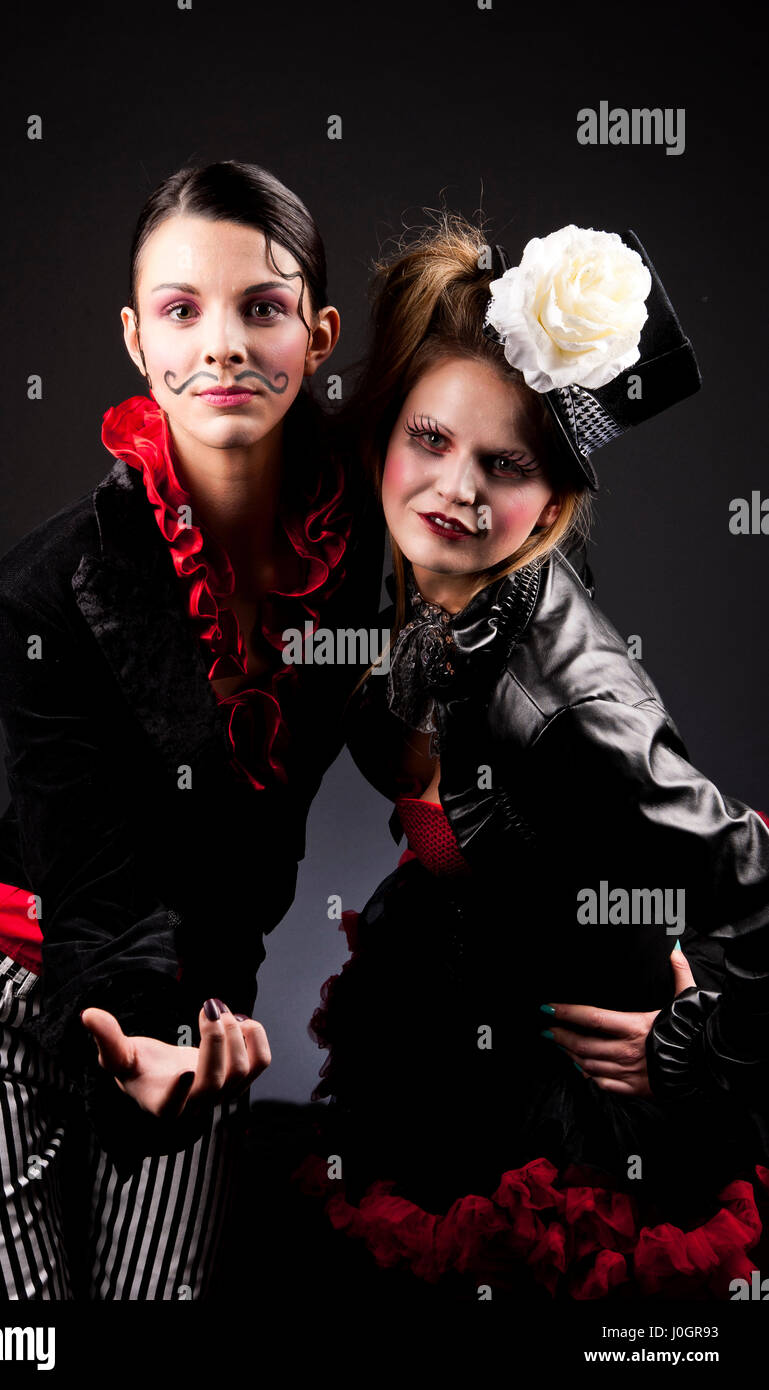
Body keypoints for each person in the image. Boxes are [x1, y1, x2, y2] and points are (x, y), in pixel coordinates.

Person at [0, 160, 383, 1300]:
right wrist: (137, 1026)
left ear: (317, 336)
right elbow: (91, 878)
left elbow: (507, 461)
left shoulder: (372, 537)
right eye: (180, 310)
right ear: (135, 340)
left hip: (200, 996)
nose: (221, 345)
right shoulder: (43, 588)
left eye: (261, 308)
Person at [298, 213, 769, 1301]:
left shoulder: (573, 699)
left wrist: (700, 1045)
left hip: (580, 1129)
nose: (455, 488)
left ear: (550, 500)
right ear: (387, 439)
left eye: (502, 464)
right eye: (430, 440)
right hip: (459, 1044)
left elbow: (751, 879)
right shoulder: (410, 595)